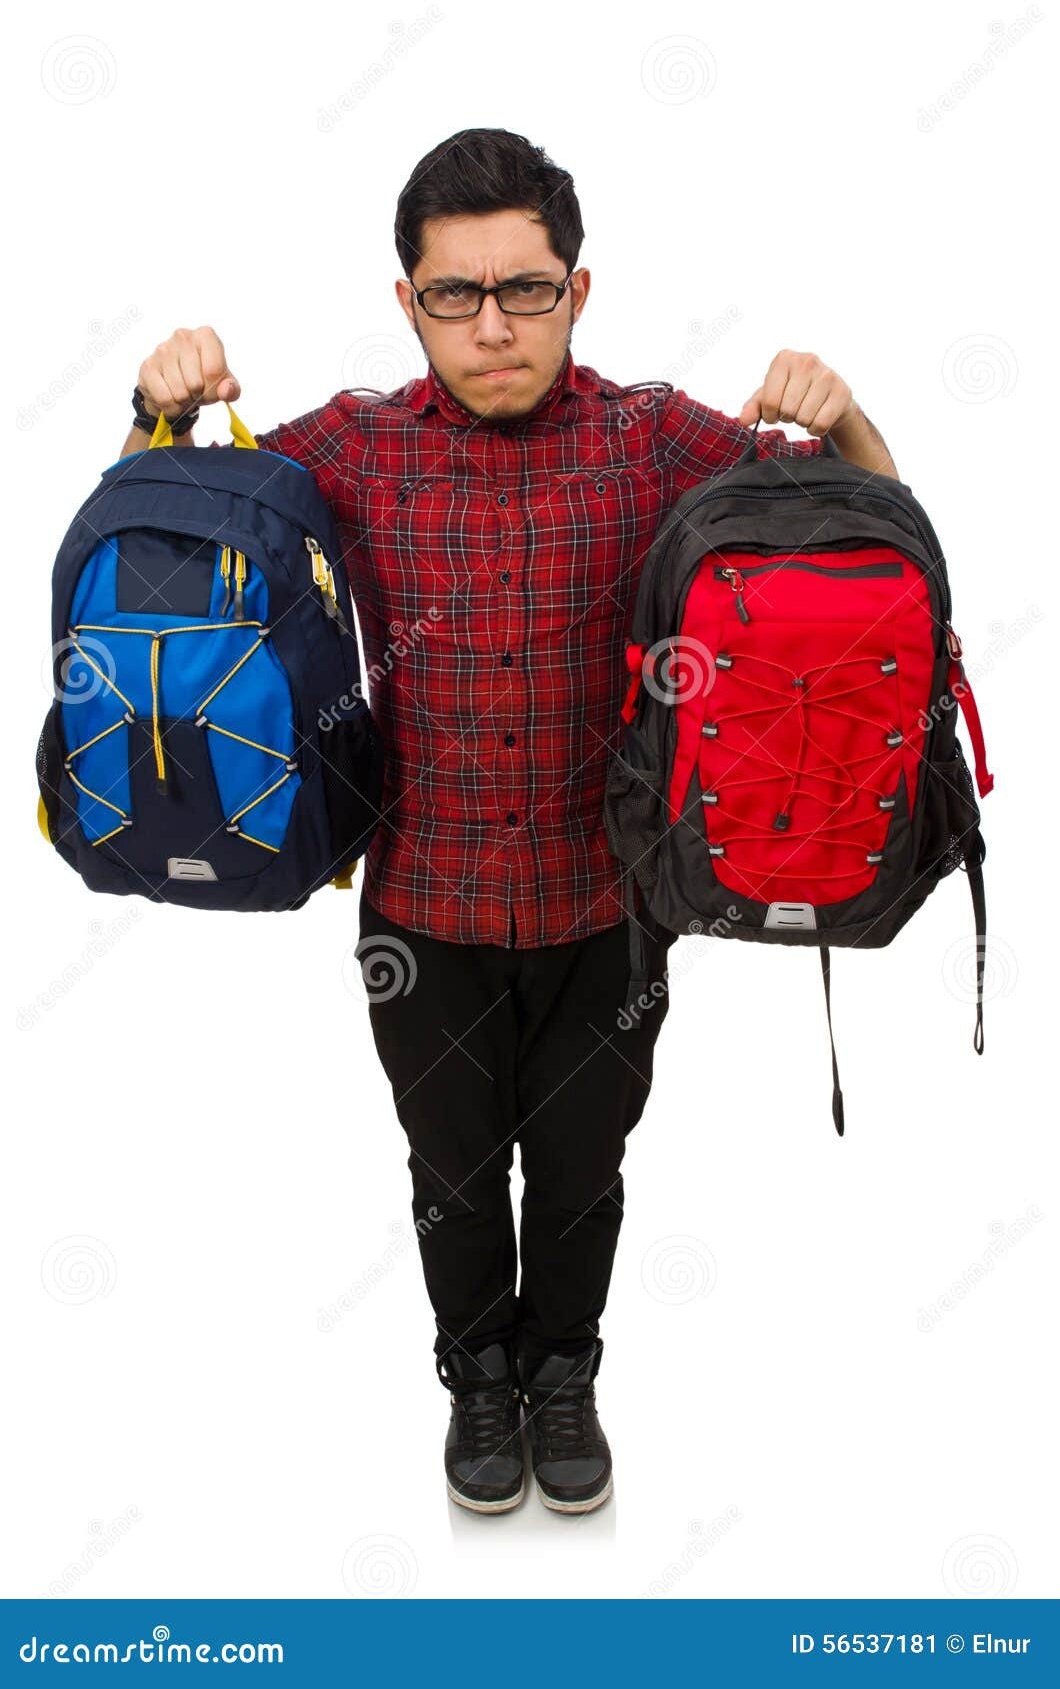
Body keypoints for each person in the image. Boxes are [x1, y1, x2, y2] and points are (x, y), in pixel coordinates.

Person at [120, 127, 897, 1517]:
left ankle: (563, 1370)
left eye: (524, 290)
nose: (493, 325)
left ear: (577, 293)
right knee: (454, 1170)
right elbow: (159, 529)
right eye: (456, 294)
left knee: (585, 1165)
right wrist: (153, 404)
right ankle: (477, 1369)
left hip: (615, 910)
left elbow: (872, 532)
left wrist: (844, 420)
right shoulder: (348, 451)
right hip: (421, 913)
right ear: (408, 298)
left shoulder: (657, 440)